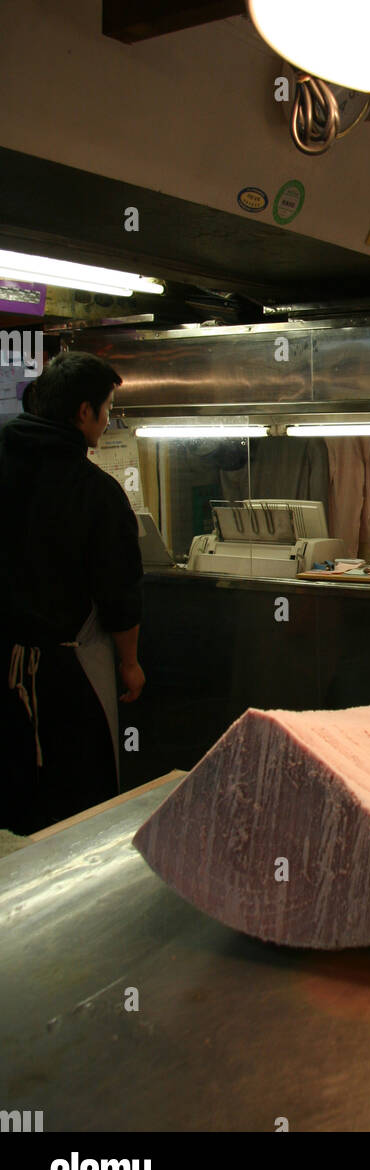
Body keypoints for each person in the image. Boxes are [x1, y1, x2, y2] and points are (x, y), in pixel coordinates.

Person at [0, 351, 145, 835]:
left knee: (12, 812)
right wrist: (130, 662)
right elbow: (119, 592)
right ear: (84, 412)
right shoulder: (95, 491)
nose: (107, 423)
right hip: (67, 677)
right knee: (78, 813)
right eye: (106, 410)